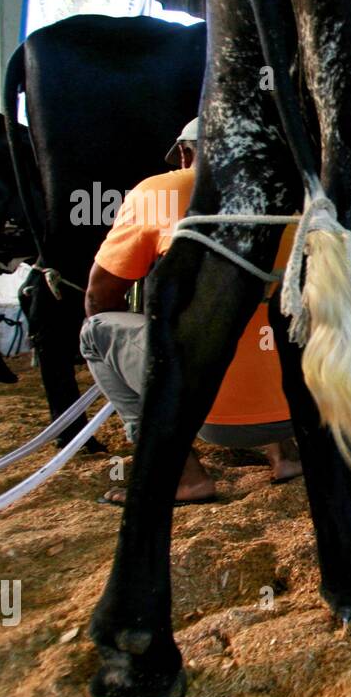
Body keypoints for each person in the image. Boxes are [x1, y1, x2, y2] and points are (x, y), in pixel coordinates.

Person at [79, 118, 301, 504]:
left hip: (209, 417)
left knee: (96, 332)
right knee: (269, 312)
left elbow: (100, 298)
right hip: (298, 409)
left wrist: (140, 341)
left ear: (185, 153)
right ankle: (286, 455)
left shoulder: (160, 192)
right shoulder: (298, 195)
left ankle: (182, 476)